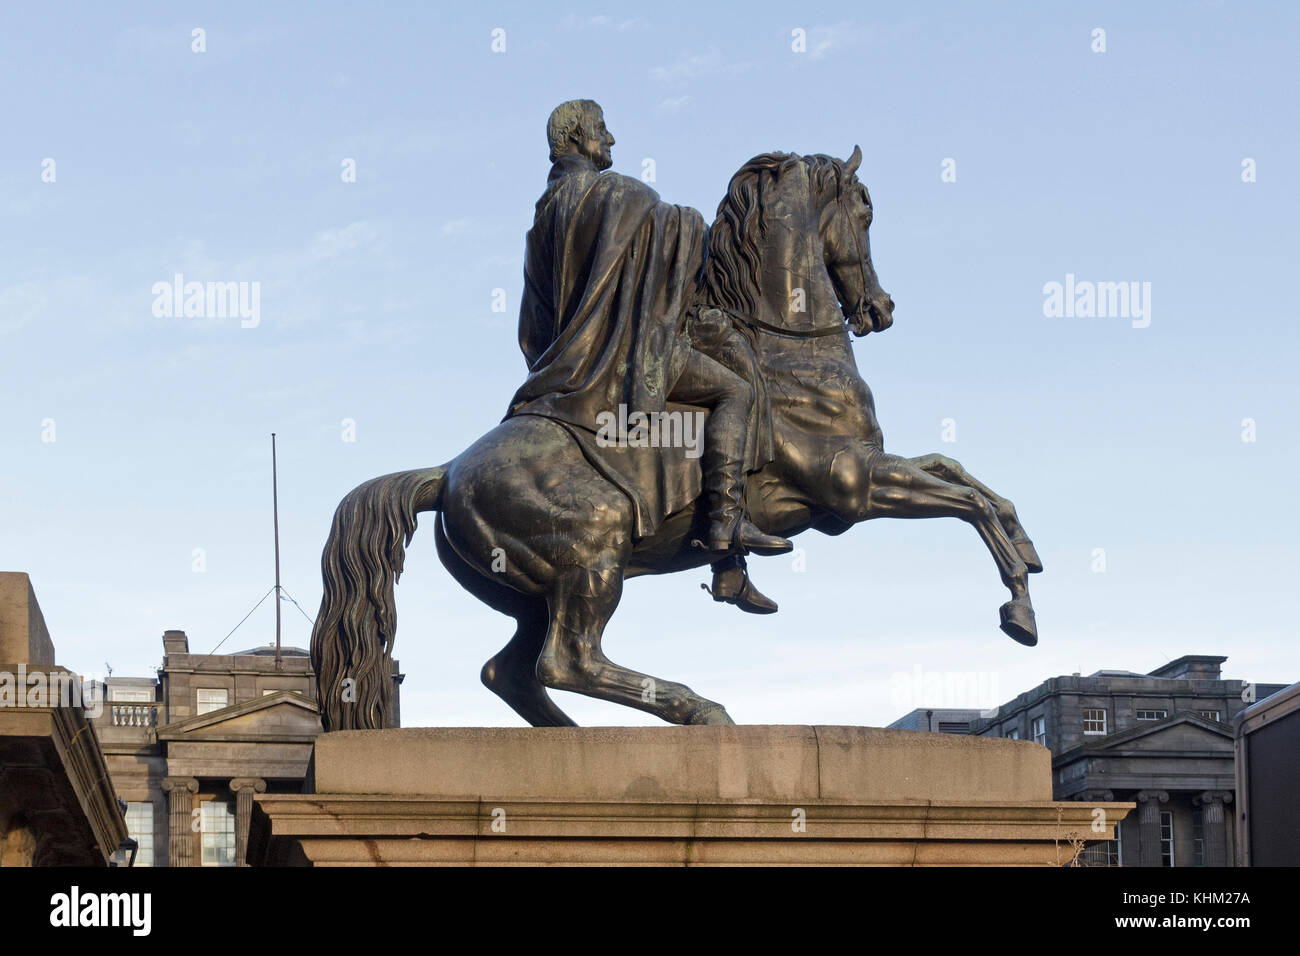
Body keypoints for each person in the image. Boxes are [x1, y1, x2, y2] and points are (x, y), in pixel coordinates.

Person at [505, 99, 789, 613]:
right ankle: (726, 524)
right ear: (574, 137)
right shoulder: (610, 193)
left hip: (569, 363)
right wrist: (707, 230)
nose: (610, 140)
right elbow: (676, 231)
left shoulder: (542, 217)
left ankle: (729, 568)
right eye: (602, 130)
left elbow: (532, 324)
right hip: (625, 354)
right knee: (736, 390)